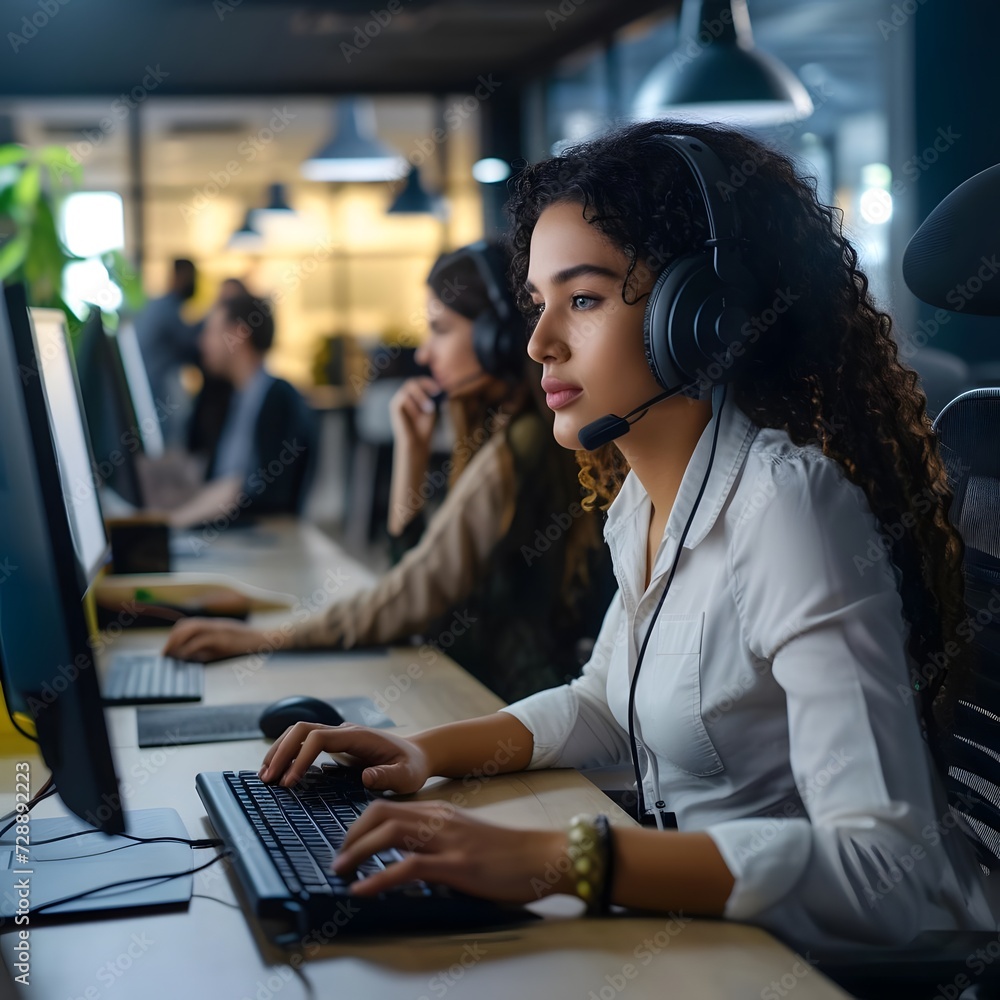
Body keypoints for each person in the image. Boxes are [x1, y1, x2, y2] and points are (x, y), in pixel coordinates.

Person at [252, 121, 1000, 954]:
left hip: (849, 965)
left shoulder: (790, 512)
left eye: (583, 299)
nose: (538, 342)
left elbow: (884, 866)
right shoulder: (642, 507)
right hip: (723, 941)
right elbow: (603, 704)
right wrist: (420, 750)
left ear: (699, 319)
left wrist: (567, 861)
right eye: (539, 303)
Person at [163, 243, 613, 704]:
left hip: (501, 703)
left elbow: (408, 598)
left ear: (493, 338)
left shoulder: (521, 445)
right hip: (477, 691)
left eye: (439, 330)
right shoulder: (504, 433)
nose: (424, 353)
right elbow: (414, 574)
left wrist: (262, 640)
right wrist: (411, 458)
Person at [163, 291, 316, 528]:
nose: (202, 342)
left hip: (262, 538)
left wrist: (172, 523)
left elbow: (270, 496)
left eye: (211, 332)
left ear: (238, 334)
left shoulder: (279, 399)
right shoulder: (231, 396)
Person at [134, 257, 200, 445]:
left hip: (149, 388)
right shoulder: (168, 310)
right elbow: (192, 345)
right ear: (181, 276)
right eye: (193, 278)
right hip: (154, 392)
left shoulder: (157, 304)